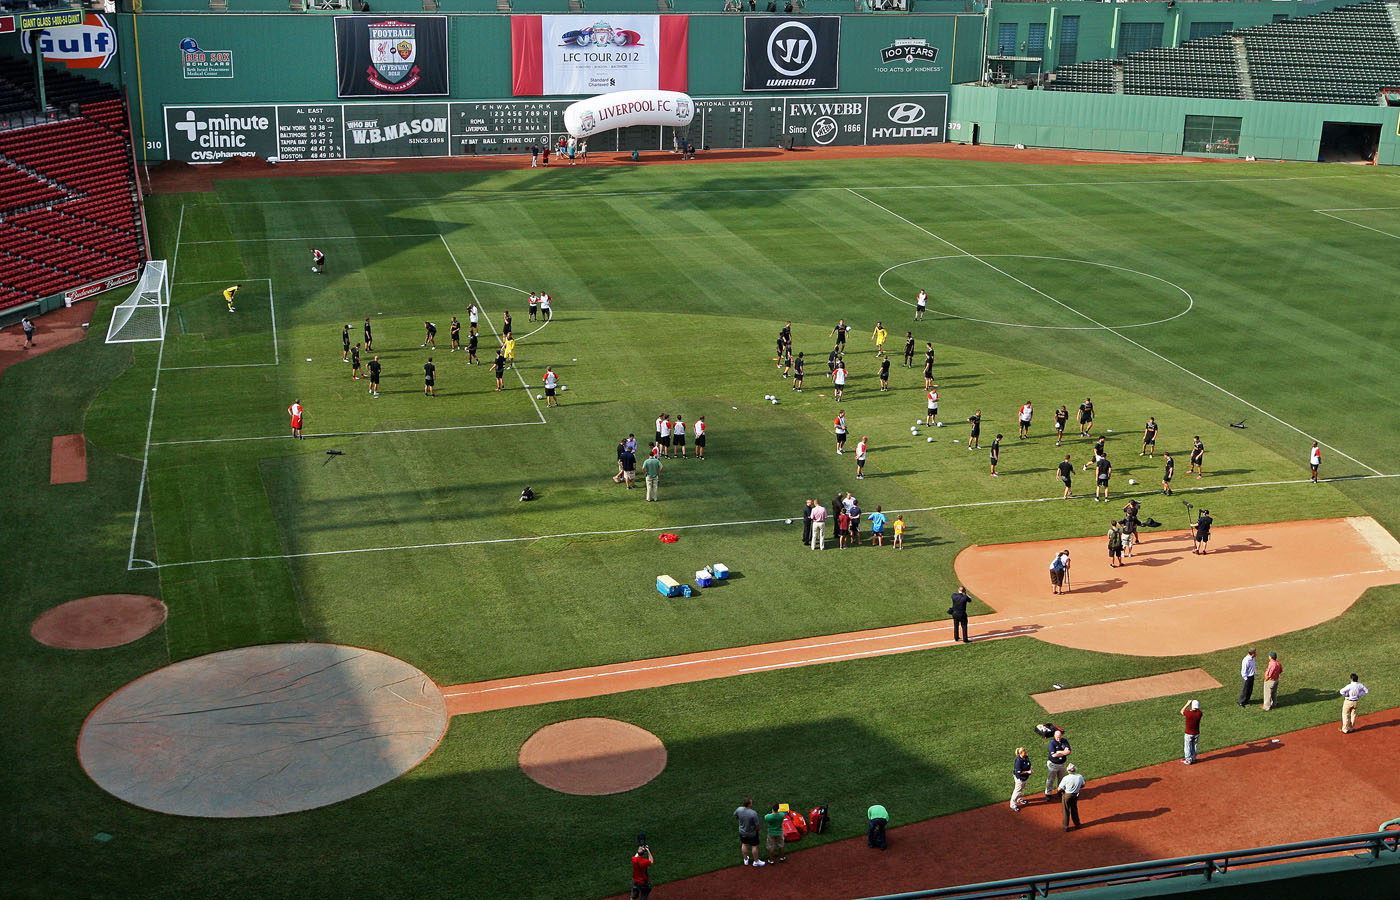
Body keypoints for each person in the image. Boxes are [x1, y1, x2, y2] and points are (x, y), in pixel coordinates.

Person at [734, 799, 764, 866]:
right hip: (752, 833)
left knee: (744, 844)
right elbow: (757, 825)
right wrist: (758, 830)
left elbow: (735, 815)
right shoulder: (753, 813)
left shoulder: (739, 809)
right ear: (749, 804)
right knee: (754, 846)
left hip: (742, 832)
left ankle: (745, 860)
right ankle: (756, 861)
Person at [1045, 728, 1071, 801]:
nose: (1058, 738)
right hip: (1053, 765)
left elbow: (1069, 752)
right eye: (1057, 737)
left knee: (1061, 779)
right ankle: (1048, 793)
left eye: (1059, 737)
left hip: (1062, 764)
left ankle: (1059, 791)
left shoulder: (1064, 741)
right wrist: (1064, 752)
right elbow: (1054, 755)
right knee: (1050, 780)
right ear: (1054, 736)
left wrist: (1059, 752)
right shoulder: (1052, 743)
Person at [1059, 764, 1085, 831]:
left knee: (1066, 810)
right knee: (1074, 809)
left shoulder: (1066, 778)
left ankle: (1065, 827)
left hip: (1067, 795)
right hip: (1075, 795)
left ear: (1068, 770)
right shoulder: (1080, 777)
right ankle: (1077, 824)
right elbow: (1083, 785)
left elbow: (1059, 789)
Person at [1181, 699, 1202, 764]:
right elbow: (1197, 710)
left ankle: (1188, 759)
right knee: (1194, 746)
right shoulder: (1200, 713)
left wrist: (1187, 704)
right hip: (1196, 733)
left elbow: (1182, 711)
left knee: (1187, 746)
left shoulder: (1188, 713)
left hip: (1188, 733)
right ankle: (1193, 758)